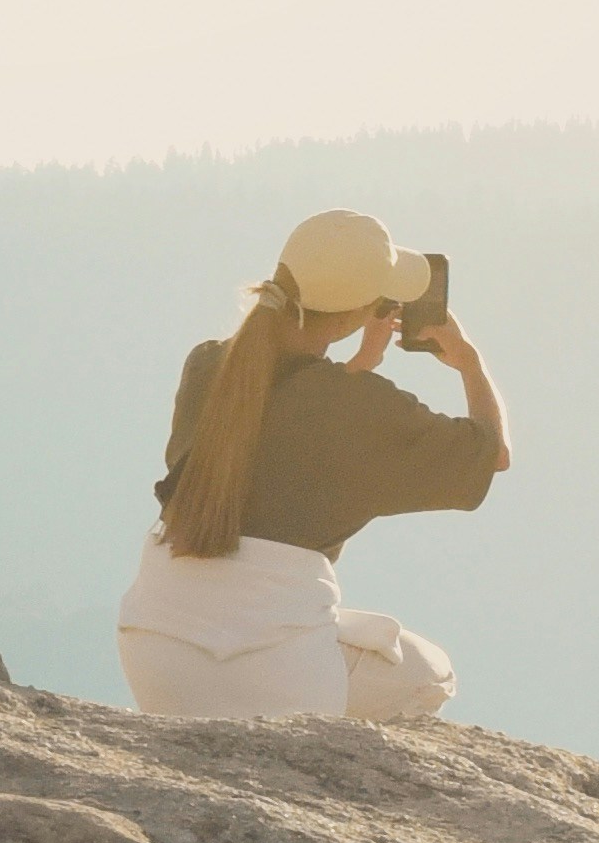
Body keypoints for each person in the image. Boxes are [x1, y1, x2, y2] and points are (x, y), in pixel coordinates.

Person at [115, 201, 512, 728]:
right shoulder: (363, 409)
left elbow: (280, 433)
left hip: (157, 660)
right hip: (283, 682)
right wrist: (467, 360)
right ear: (355, 315)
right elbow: (491, 453)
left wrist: (355, 370)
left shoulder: (208, 367)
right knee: (428, 675)